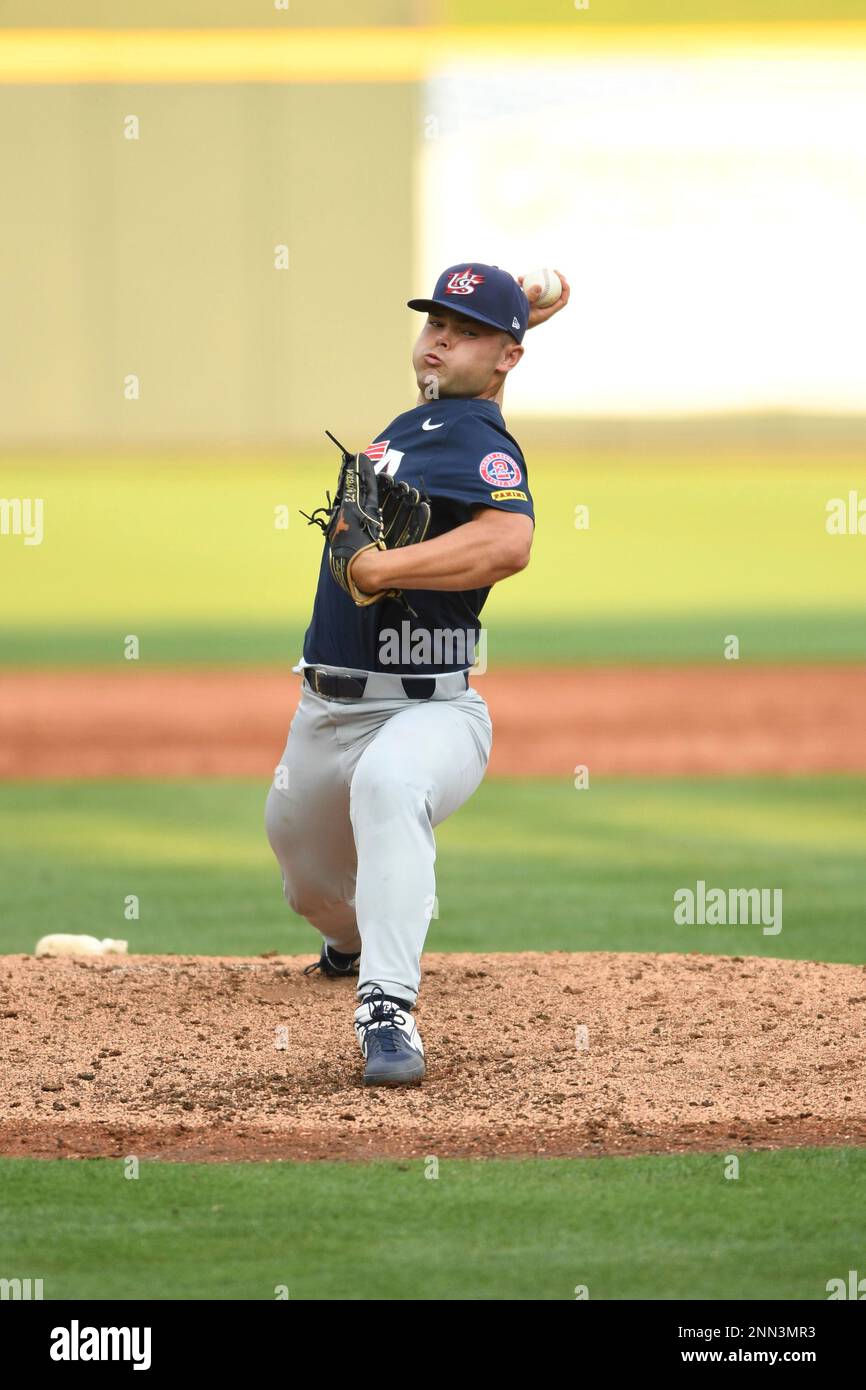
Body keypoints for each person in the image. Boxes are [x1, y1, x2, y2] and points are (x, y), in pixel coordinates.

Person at [265, 262, 570, 1085]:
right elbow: (472, 366)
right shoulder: (413, 423)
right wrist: (498, 329)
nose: (438, 338)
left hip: (428, 711)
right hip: (324, 709)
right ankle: (352, 944)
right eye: (435, 323)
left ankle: (387, 1008)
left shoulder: (480, 439)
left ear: (507, 358)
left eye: (463, 330)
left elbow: (510, 542)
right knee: (309, 883)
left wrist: (385, 565)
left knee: (392, 787)